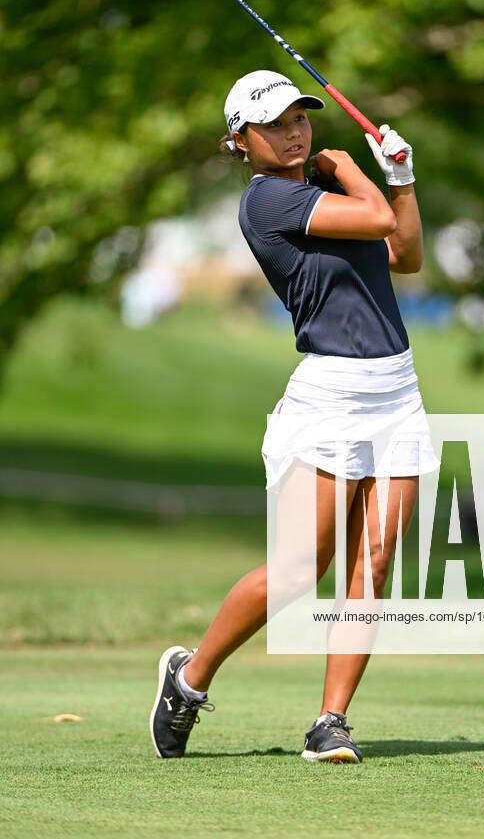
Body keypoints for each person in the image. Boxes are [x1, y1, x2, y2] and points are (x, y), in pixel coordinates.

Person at [149, 69, 439, 764]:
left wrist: (401, 181)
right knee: (299, 568)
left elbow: (405, 252)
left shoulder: (325, 192)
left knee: (371, 563)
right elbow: (375, 221)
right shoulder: (269, 201)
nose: (296, 132)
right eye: (275, 124)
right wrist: (360, 171)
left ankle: (330, 721)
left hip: (395, 392)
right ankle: (188, 682)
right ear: (240, 141)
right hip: (332, 396)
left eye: (300, 119)